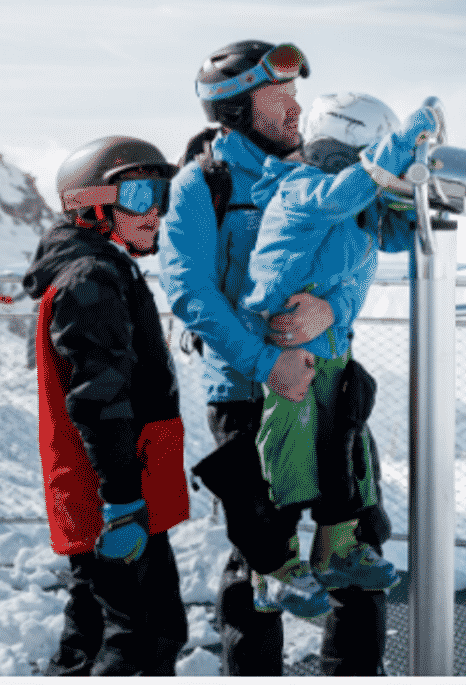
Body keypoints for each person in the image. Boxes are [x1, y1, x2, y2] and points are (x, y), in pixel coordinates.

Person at [158, 40, 432, 676]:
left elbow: (363, 252)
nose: (296, 109)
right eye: (277, 100)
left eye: (293, 98)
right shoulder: (204, 184)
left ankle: (352, 670)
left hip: (328, 378)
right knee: (260, 550)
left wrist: (330, 311)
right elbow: (190, 296)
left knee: (358, 533)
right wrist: (265, 363)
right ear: (236, 110)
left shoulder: (320, 173)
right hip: (247, 389)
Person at [235, 92, 429, 597]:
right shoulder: (301, 187)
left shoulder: (358, 207)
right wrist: (403, 144)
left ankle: (336, 549)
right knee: (287, 452)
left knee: (343, 439)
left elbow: (396, 234)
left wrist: (419, 196)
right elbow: (341, 196)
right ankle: (273, 567)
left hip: (328, 344)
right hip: (285, 346)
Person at [24, 136, 188, 675]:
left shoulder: (96, 268)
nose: (155, 212)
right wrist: (122, 501)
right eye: (140, 195)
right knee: (145, 634)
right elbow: (98, 399)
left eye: (162, 196)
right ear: (90, 203)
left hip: (113, 489)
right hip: (113, 496)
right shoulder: (91, 279)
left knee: (93, 627)